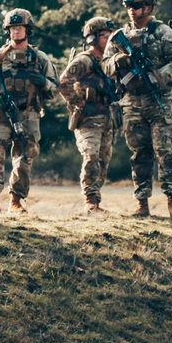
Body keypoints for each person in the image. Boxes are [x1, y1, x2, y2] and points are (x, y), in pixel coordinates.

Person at [103, 0, 172, 219]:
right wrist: (118, 60)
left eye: (137, 5)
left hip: (159, 100)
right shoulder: (118, 38)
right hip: (132, 102)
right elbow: (105, 65)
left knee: (167, 151)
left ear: (149, 7)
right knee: (139, 154)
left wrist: (156, 76)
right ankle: (142, 204)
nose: (132, 10)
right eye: (128, 6)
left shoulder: (165, 34)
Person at [0, 9, 59, 213]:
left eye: (20, 27)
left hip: (29, 113)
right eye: (12, 28)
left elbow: (56, 89)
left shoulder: (39, 58)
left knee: (25, 157)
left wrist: (44, 82)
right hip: (1, 112)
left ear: (28, 30)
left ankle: (16, 201)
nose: (16, 31)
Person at [59, 17, 120, 214]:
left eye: (110, 35)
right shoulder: (85, 60)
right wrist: (78, 102)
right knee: (91, 155)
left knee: (103, 161)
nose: (109, 40)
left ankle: (96, 202)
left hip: (107, 118)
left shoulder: (111, 61)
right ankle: (90, 201)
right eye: (104, 36)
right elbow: (64, 82)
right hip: (88, 119)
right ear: (93, 38)